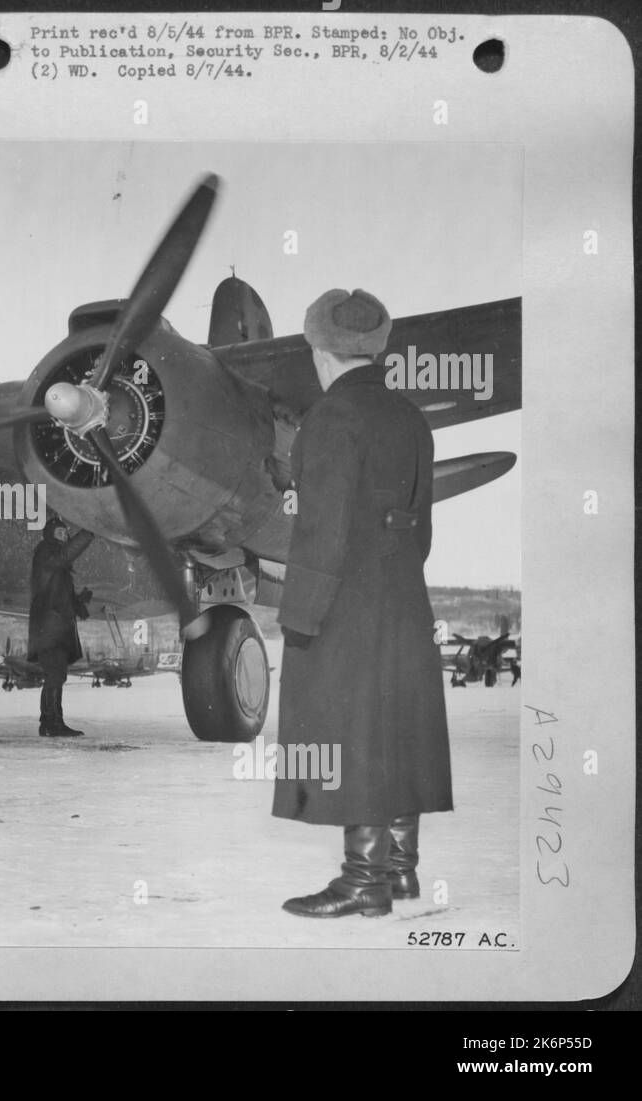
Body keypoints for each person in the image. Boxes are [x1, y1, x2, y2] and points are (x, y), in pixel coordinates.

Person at [273, 288, 451, 918]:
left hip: (346, 601)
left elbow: (322, 528)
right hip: (405, 597)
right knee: (398, 726)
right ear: (377, 347)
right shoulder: (411, 417)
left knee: (350, 732)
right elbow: (422, 527)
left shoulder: (330, 419)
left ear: (319, 350)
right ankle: (400, 873)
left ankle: (362, 883)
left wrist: (301, 615)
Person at [27, 518, 94, 736]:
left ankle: (49, 722)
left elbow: (57, 594)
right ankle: (52, 723)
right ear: (50, 534)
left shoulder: (56, 561)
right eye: (60, 533)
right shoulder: (46, 552)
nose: (64, 536)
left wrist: (78, 603)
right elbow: (63, 558)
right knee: (55, 675)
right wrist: (89, 531)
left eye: (66, 533)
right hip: (49, 630)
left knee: (55, 675)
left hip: (53, 628)